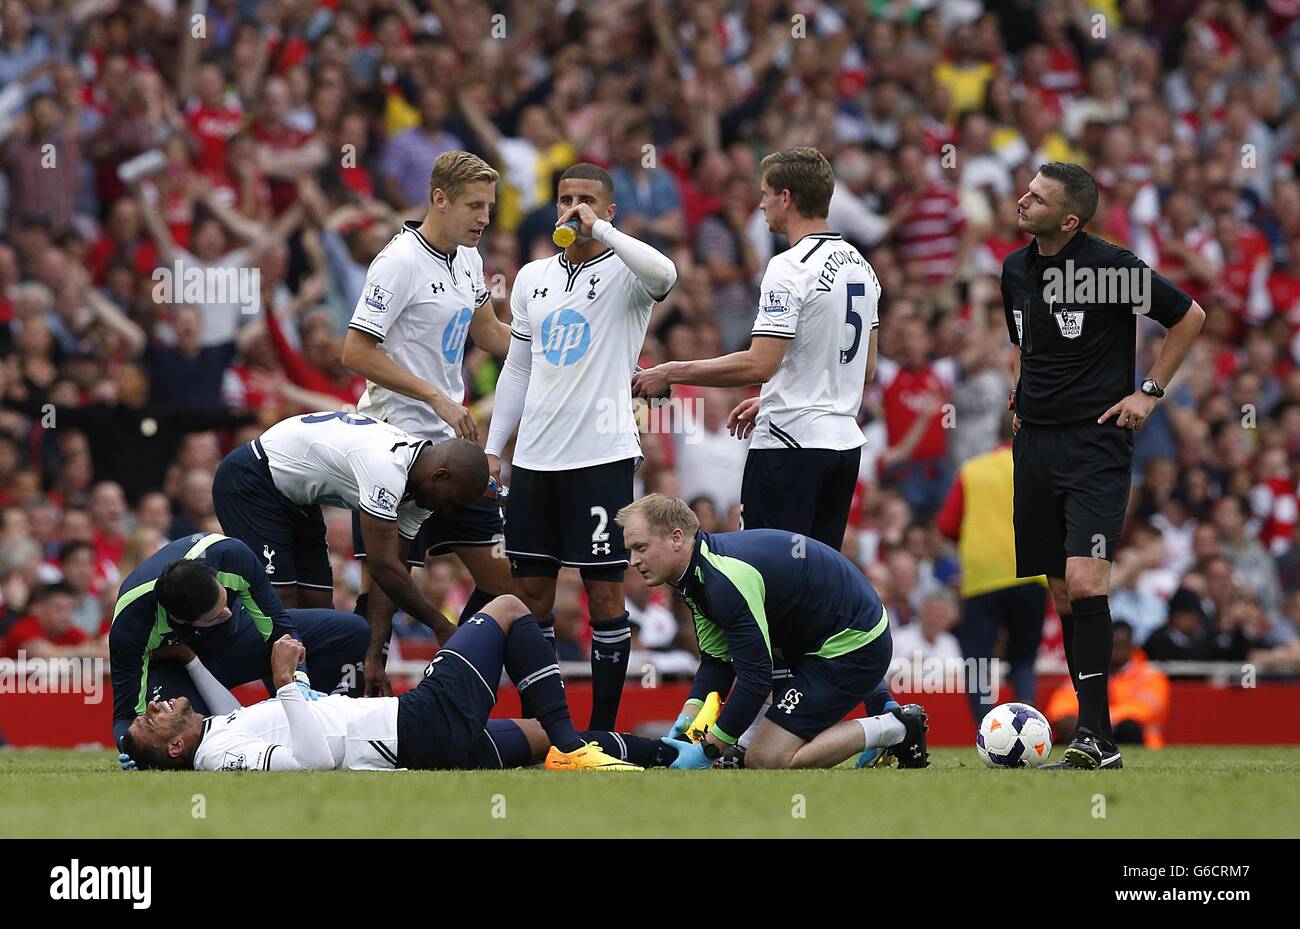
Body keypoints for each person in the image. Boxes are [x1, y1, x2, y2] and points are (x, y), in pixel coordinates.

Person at [1002, 163, 1205, 770]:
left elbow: (1188, 316)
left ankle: (1100, 736)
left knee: (1088, 580)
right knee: (1062, 591)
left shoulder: (1111, 268)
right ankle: (1090, 733)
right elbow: (1033, 348)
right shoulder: (1015, 269)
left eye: (1037, 197)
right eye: (1027, 189)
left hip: (1096, 444)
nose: (1023, 199)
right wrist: (1022, 397)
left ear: (1069, 219)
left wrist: (1149, 391)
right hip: (1034, 445)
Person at [485, 163, 677, 730]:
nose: (573, 208)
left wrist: (604, 231)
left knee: (604, 598)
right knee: (532, 599)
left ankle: (603, 732)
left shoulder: (628, 273)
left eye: (586, 200)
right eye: (565, 198)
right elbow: (517, 369)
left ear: (609, 210)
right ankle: (544, 729)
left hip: (601, 458)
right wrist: (497, 449)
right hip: (536, 463)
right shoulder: (532, 277)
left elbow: (666, 273)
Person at [120, 595, 689, 773]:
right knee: (510, 607)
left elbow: (228, 716)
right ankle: (572, 743)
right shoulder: (220, 760)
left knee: (540, 734)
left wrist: (193, 660)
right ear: (174, 746)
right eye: (152, 719)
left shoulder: (215, 734)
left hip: (418, 744)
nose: (154, 705)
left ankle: (678, 757)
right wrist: (286, 683)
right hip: (411, 725)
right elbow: (313, 762)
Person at [633, 147, 879, 552]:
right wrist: (774, 398)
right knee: (817, 578)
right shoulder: (862, 267)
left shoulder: (790, 266)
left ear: (787, 198)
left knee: (766, 574)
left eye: (765, 193)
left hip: (790, 445)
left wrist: (671, 370)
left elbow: (759, 363)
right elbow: (864, 369)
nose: (760, 203)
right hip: (843, 448)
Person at [340, 151, 516, 690]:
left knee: (506, 580)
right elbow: (355, 351)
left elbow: (488, 332)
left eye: (489, 206)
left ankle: (452, 671)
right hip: (396, 445)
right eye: (474, 206)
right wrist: (436, 396)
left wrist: (558, 357)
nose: (484, 218)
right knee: (386, 586)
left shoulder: (467, 255)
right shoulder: (397, 262)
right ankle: (358, 689)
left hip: (452, 450)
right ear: (438, 198)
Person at [618, 493, 928, 770]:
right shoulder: (695, 573)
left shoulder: (723, 580)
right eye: (631, 550)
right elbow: (716, 661)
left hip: (852, 645)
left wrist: (709, 749)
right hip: (824, 639)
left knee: (766, 759)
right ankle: (880, 710)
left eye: (640, 548)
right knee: (752, 655)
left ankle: (896, 727)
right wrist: (688, 721)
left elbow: (755, 679)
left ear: (676, 538)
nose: (633, 561)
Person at [211, 411, 488, 691]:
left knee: (320, 609)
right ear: (440, 476)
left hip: (299, 498)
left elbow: (391, 575)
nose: (447, 510)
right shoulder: (386, 467)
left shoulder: (418, 492)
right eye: (451, 501)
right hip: (254, 479)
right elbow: (381, 565)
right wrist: (440, 625)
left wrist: (373, 654)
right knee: (282, 606)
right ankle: (289, 709)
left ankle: (320, 704)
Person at [108, 532, 369, 749]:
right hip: (174, 669)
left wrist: (298, 684)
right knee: (186, 743)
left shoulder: (232, 555)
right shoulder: (131, 627)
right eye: (215, 616)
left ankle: (329, 725)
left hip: (238, 637)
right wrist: (131, 749)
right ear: (180, 619)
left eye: (226, 600)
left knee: (352, 631)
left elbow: (281, 632)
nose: (227, 611)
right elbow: (125, 716)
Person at [935, 411, 1048, 724]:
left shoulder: (972, 470)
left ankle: (987, 728)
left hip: (982, 579)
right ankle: (1029, 726)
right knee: (1023, 659)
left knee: (978, 662)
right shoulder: (1039, 468)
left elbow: (946, 525)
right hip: (1030, 574)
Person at [1046, 621, 1170, 750]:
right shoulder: (1089, 672)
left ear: (1132, 646)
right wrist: (1069, 718)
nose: (1116, 651)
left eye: (1121, 645)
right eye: (1112, 645)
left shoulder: (1149, 674)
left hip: (1138, 741)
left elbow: (1144, 710)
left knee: (1128, 726)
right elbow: (1060, 704)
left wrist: (1093, 721)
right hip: (1095, 736)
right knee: (1068, 726)